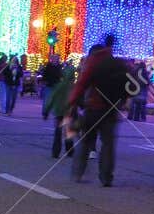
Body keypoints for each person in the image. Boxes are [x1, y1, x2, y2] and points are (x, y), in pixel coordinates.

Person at [71, 36, 129, 186]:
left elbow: (82, 84)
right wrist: (123, 100)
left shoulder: (93, 63)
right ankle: (106, 177)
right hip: (111, 109)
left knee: (85, 141)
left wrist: (73, 102)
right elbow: (129, 84)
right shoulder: (116, 63)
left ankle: (78, 172)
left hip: (93, 108)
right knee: (108, 144)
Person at [44, 58, 77, 159]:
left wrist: (46, 111)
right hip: (69, 112)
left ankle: (55, 152)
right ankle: (70, 151)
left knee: (57, 132)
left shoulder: (59, 85)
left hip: (58, 111)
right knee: (68, 131)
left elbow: (51, 98)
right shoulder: (74, 87)